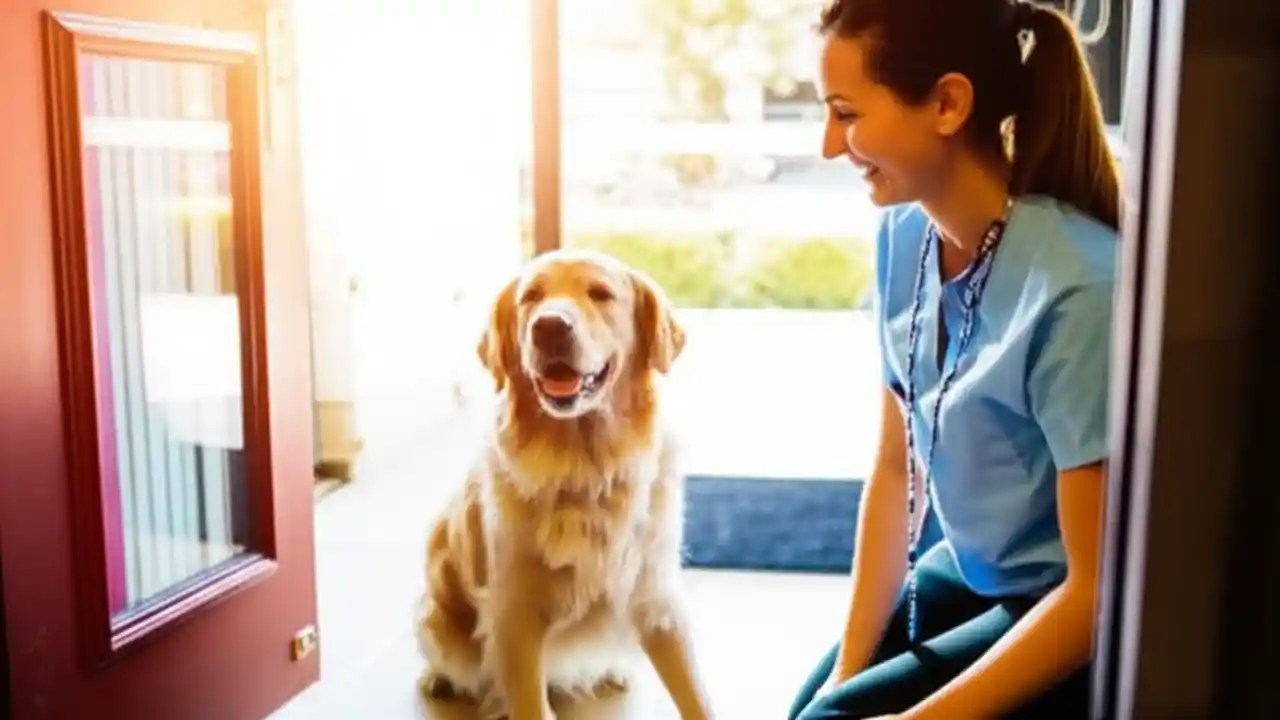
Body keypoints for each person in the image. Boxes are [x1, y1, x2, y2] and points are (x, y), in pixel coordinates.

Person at [787, 0, 1120, 718]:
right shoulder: (904, 235)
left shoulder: (1080, 287)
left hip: (1052, 610)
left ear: (946, 103)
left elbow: (1093, 593)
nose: (828, 145)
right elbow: (893, 470)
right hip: (966, 569)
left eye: (846, 114)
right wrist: (846, 678)